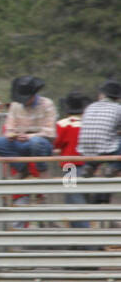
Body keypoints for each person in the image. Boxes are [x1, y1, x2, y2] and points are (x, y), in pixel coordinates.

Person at [0, 76, 57, 178]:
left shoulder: (47, 104)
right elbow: (9, 128)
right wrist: (13, 135)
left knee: (36, 142)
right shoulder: (15, 105)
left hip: (41, 144)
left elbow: (50, 132)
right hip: (20, 142)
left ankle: (42, 170)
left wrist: (29, 136)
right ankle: (22, 169)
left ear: (33, 95)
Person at [56, 91, 90, 224]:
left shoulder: (63, 124)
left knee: (73, 196)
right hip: (88, 164)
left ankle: (84, 234)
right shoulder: (89, 122)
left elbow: (57, 143)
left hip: (70, 165)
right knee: (80, 196)